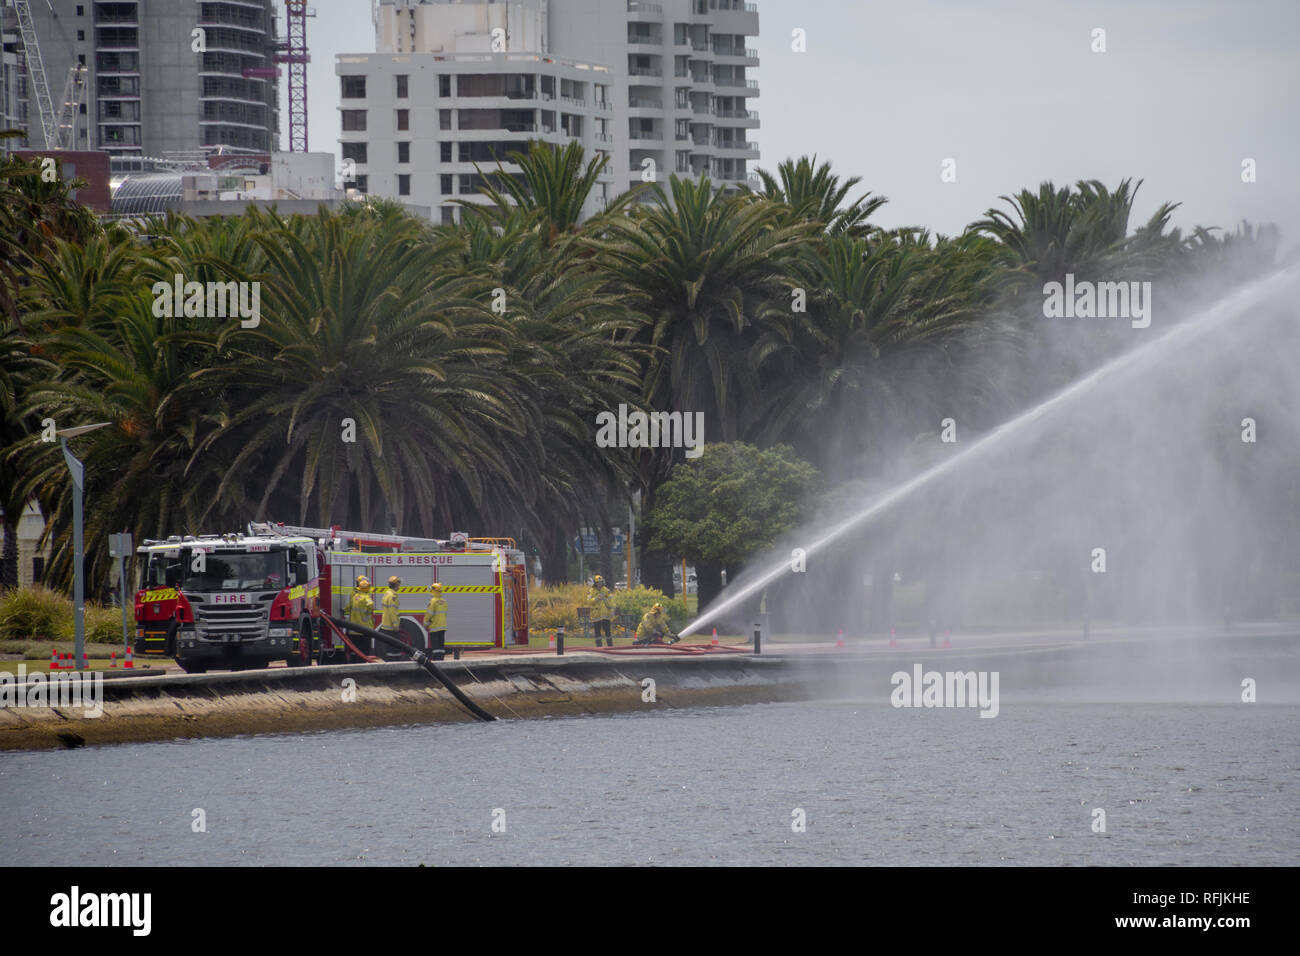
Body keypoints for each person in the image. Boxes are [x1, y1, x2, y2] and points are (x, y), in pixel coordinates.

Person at [343, 576, 376, 655]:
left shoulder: (354, 597)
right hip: (364, 629)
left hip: (353, 629)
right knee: (364, 652)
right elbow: (371, 605)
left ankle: (354, 663)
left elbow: (347, 608)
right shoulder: (366, 598)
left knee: (355, 651)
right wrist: (368, 616)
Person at [587, 574, 615, 647]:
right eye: (598, 582)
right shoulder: (591, 591)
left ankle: (610, 647)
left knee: (608, 632)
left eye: (601, 582)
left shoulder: (606, 590)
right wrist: (596, 598)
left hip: (606, 616)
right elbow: (589, 601)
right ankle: (599, 647)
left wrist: (604, 599)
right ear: (595, 583)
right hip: (596, 616)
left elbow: (611, 603)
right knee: (597, 633)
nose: (600, 583)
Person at [380, 575, 403, 659]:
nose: (399, 587)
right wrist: (396, 625)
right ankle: (394, 663)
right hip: (391, 627)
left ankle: (389, 661)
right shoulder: (392, 596)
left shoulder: (387, 594)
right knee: (394, 648)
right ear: (396, 585)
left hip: (386, 625)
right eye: (398, 585)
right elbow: (393, 612)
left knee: (389, 647)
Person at [425, 582, 448, 658]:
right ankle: (441, 659)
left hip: (434, 627)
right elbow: (445, 613)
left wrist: (425, 624)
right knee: (441, 646)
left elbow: (429, 614)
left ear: (434, 591)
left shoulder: (433, 601)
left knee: (435, 647)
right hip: (443, 627)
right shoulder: (444, 601)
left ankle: (436, 660)